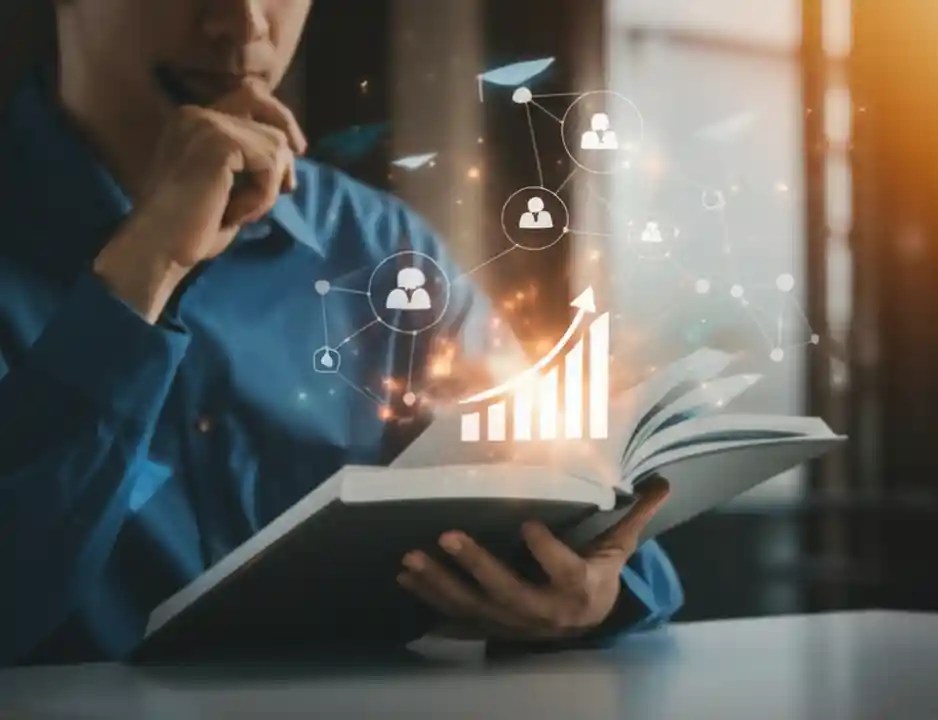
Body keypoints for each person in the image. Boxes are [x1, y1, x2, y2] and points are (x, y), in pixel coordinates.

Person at [0, 0, 682, 666]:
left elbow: (582, 508)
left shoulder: (379, 250)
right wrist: (143, 268)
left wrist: (592, 593)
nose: (243, 24)